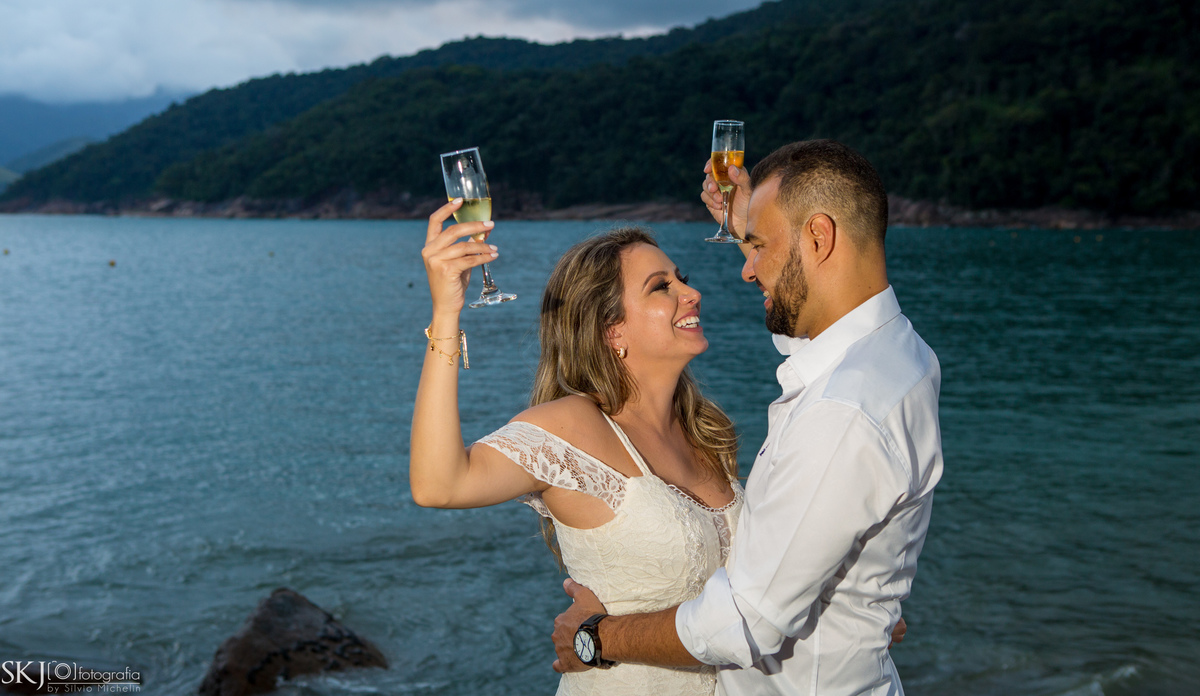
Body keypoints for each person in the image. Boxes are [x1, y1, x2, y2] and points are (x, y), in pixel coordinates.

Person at [550, 139, 944, 696]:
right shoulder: (901, 355)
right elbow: (804, 337)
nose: (746, 271)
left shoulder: (841, 412)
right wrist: (751, 228)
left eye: (759, 246)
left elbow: (744, 621)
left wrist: (597, 638)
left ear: (818, 238)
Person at [409, 201, 745, 695]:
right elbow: (439, 484)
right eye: (661, 287)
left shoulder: (706, 433)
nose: (691, 293)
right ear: (613, 331)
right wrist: (446, 312)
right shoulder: (573, 427)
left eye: (681, 278)